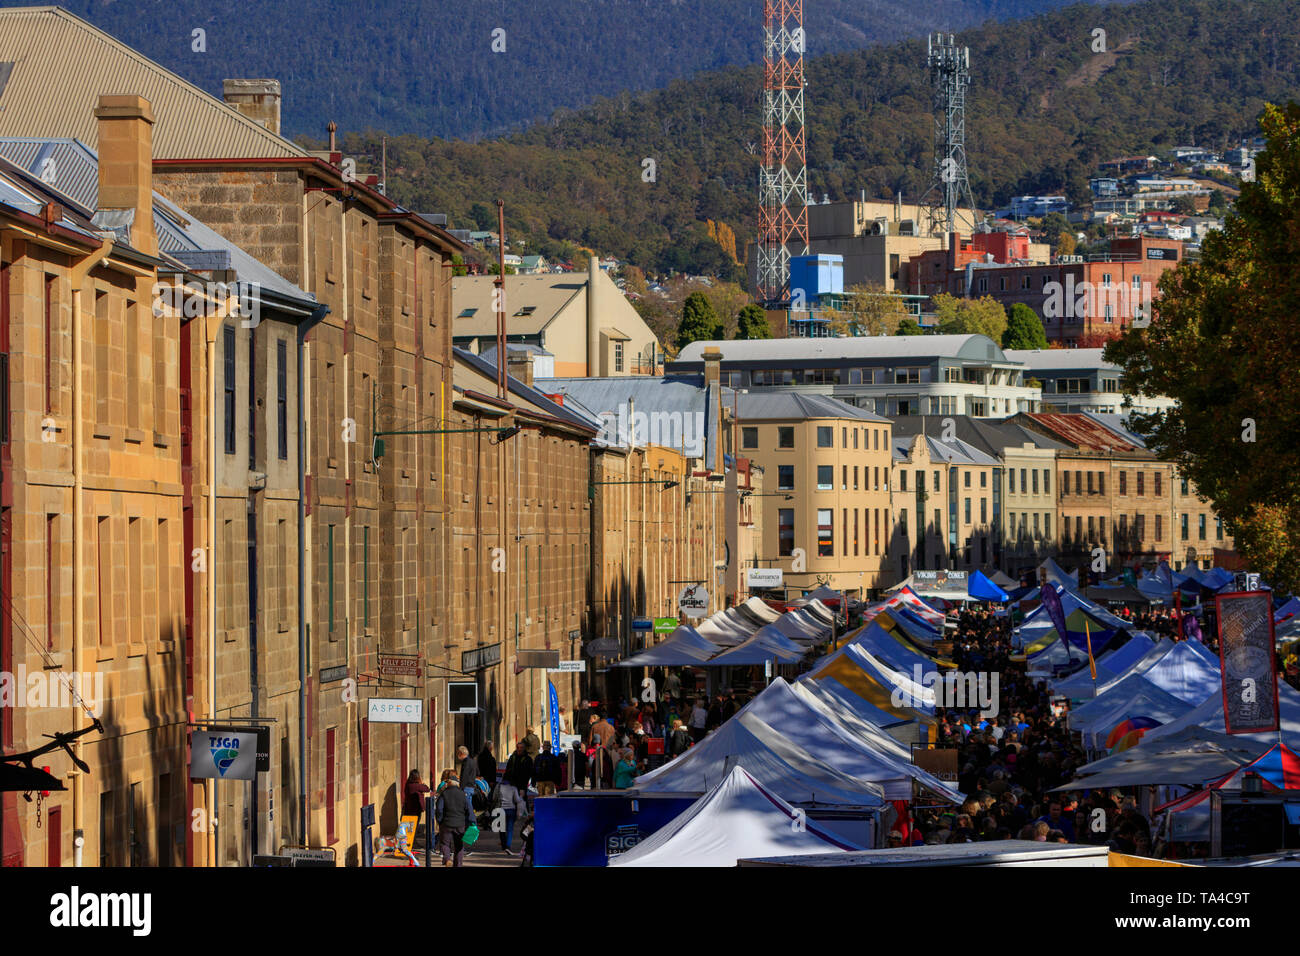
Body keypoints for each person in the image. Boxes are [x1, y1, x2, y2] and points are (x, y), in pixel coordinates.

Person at [434, 770, 474, 867]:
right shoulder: (463, 795)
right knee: (459, 846)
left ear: (449, 783)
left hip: (446, 824)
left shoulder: (444, 794)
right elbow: (469, 810)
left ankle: (447, 859)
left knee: (444, 843)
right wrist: (472, 822)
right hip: (460, 824)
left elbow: (439, 809)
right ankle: (458, 864)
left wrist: (440, 821)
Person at [496, 772, 527, 854]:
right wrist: (521, 796)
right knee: (510, 829)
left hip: (501, 810)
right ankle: (508, 846)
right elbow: (517, 800)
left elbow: (494, 797)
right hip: (511, 810)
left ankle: (503, 846)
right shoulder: (513, 788)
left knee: (502, 829)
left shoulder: (498, 787)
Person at [402, 769, 431, 837]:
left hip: (408, 808)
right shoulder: (416, 785)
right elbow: (427, 789)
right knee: (414, 826)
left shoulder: (408, 784)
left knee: (409, 827)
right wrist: (421, 783)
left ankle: (410, 841)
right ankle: (412, 842)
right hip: (415, 809)